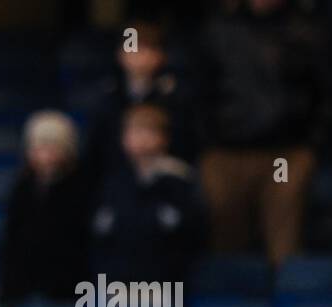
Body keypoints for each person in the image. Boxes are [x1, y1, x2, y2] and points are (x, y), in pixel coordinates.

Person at [198, 0, 330, 264]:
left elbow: (324, 92)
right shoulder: (219, 29)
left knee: (283, 242)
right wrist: (207, 142)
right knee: (226, 238)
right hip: (227, 152)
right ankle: (230, 303)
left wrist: (312, 145)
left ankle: (284, 296)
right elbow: (199, 92)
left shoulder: (308, 30)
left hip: (285, 154)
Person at [90, 103, 206, 285]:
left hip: (166, 281)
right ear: (124, 139)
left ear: (164, 138)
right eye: (135, 132)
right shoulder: (114, 181)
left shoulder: (178, 179)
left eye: (149, 132)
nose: (142, 140)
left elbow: (188, 232)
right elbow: (102, 232)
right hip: (119, 280)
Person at [80, 20, 196, 185]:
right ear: (121, 54)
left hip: (164, 179)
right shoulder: (107, 97)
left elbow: (185, 145)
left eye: (146, 48)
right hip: (114, 179)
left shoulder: (175, 98)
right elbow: (97, 150)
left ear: (160, 55)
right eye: (133, 48)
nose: (139, 55)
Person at [0, 111, 90, 302]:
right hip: (24, 288)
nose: (45, 155)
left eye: (53, 147)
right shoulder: (22, 188)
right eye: (39, 147)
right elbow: (11, 239)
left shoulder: (82, 189)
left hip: (68, 290)